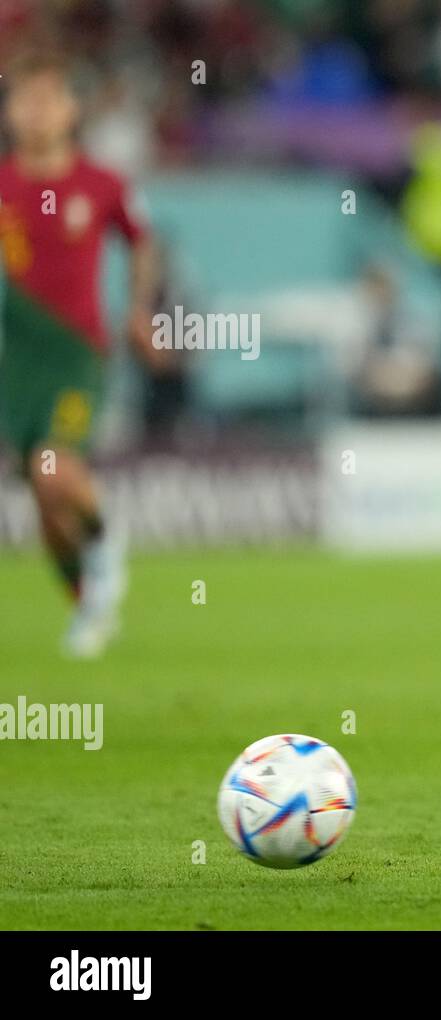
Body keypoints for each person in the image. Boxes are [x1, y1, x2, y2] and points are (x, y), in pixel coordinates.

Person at [0, 50, 160, 658]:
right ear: (10, 113)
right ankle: (87, 602)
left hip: (77, 352)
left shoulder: (102, 184)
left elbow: (142, 241)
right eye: (24, 101)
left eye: (48, 99)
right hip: (18, 360)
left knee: (53, 468)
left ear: (71, 110)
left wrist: (140, 309)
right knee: (43, 501)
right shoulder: (5, 185)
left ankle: (106, 538)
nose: (36, 112)